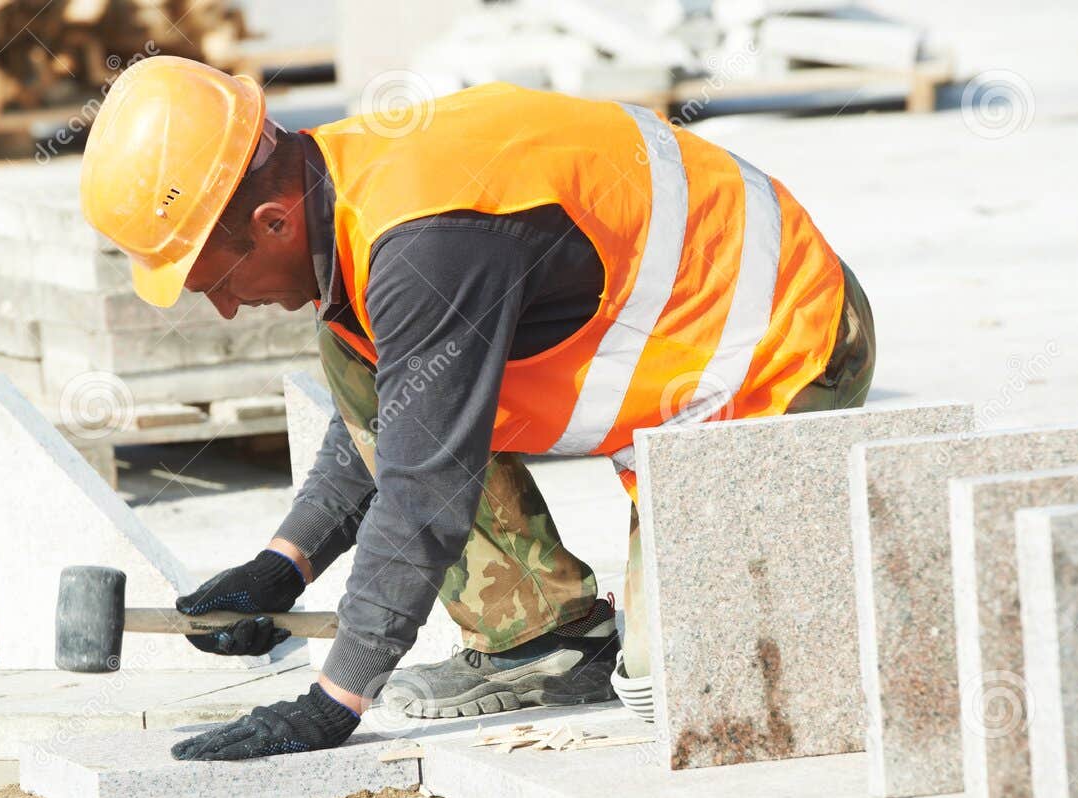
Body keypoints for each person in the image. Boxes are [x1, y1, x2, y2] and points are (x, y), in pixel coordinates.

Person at [78, 56, 876, 760]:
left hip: (782, 354)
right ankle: (541, 639)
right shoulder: (347, 192)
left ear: (273, 222)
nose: (223, 309)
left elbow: (423, 489)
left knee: (679, 686)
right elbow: (386, 422)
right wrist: (280, 568)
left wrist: (332, 703)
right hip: (672, 364)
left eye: (213, 282)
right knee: (357, 344)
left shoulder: (429, 243)